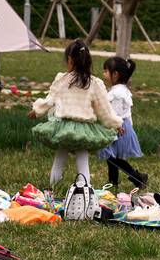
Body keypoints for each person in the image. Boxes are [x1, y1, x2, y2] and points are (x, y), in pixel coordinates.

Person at [28, 40, 121, 188]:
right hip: (83, 129)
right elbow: (104, 109)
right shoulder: (94, 83)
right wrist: (116, 124)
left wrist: (37, 110)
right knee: (82, 159)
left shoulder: (62, 79)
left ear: (70, 59)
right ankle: (84, 189)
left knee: (59, 159)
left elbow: (50, 99)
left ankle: (53, 188)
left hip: (62, 127)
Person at [96, 56, 147, 189]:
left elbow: (116, 113)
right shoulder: (119, 90)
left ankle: (137, 177)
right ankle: (114, 181)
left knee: (114, 158)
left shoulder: (118, 92)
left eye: (106, 71)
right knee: (112, 158)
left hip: (118, 127)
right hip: (120, 125)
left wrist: (117, 126)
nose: (104, 74)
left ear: (115, 74)